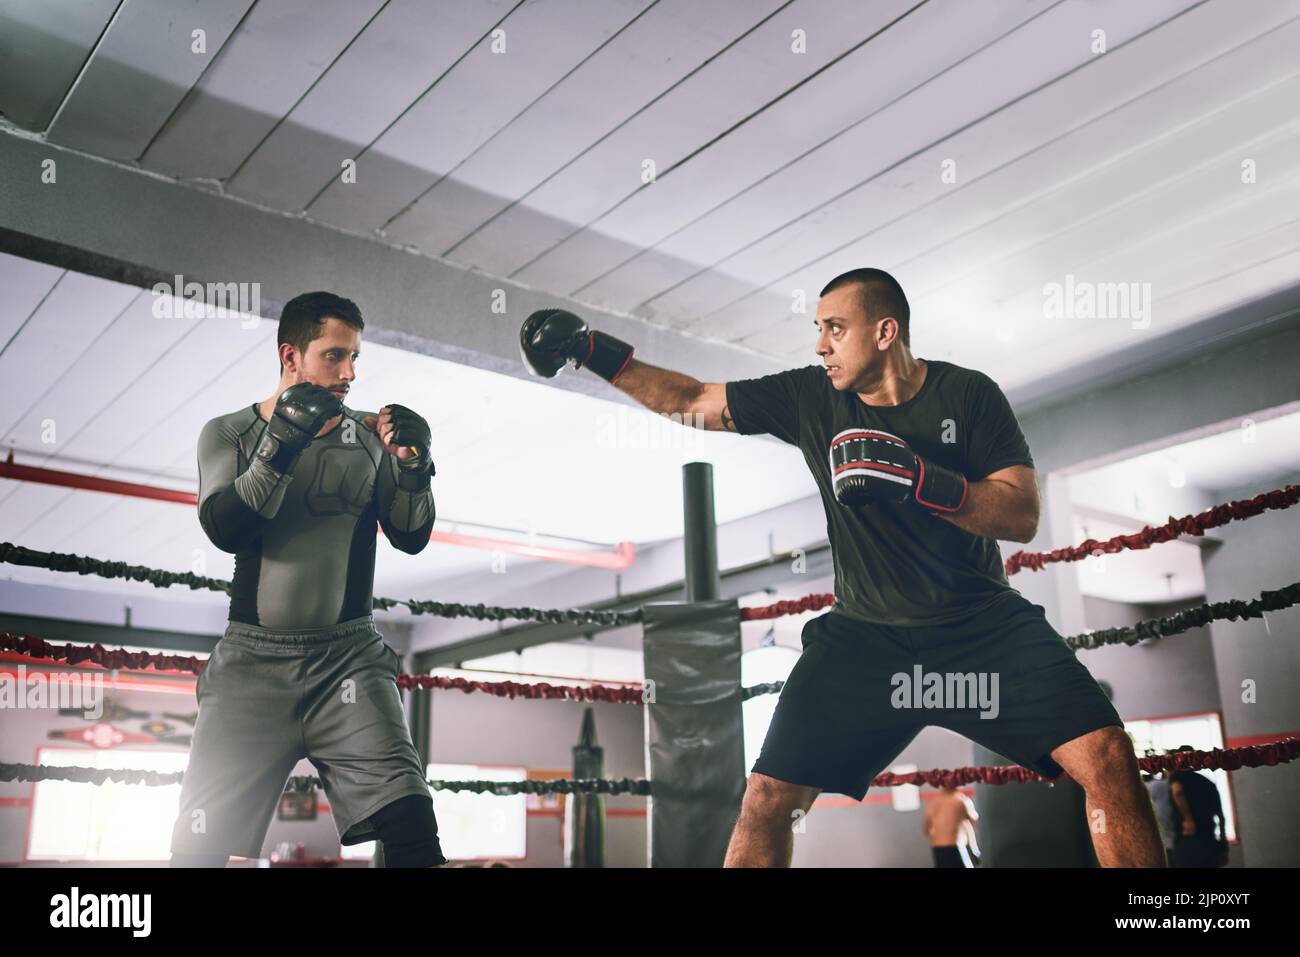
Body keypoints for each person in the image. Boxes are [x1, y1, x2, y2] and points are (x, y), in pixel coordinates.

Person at [519, 267, 1165, 868]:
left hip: (982, 627)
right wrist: (591, 350)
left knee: (1109, 756)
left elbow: (1021, 514)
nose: (821, 344)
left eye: (835, 327)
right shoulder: (811, 396)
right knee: (767, 797)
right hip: (865, 639)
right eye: (818, 328)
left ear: (885, 332)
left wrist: (921, 480)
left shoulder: (967, 395)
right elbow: (691, 397)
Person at [170, 292, 444, 867]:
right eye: (334, 355)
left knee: (413, 824)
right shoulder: (229, 432)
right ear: (290, 356)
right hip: (251, 667)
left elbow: (410, 535)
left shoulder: (370, 438)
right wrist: (281, 444)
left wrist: (415, 469)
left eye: (355, 357)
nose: (349, 374)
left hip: (349, 661)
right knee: (198, 847)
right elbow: (224, 527)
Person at [1168, 746, 1229, 867]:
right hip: (1209, 840)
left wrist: (1188, 819)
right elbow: (1221, 817)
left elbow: (1177, 792)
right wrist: (1223, 846)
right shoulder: (1208, 783)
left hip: (1188, 840)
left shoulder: (1178, 777)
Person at [924, 786, 980, 867]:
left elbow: (926, 829)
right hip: (955, 846)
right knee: (966, 823)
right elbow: (973, 822)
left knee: (965, 823)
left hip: (938, 847)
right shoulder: (962, 800)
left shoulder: (933, 802)